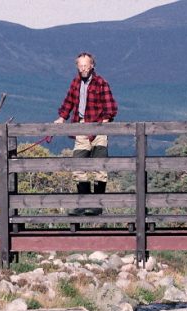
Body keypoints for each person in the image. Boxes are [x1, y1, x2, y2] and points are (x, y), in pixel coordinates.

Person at [54, 52, 118, 216]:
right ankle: (84, 203)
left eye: (86, 66)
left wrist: (104, 123)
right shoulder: (75, 83)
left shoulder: (101, 83)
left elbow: (110, 107)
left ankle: (96, 206)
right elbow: (68, 102)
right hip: (81, 126)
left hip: (99, 127)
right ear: (77, 66)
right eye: (80, 66)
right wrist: (61, 118)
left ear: (92, 66)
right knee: (78, 166)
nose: (83, 69)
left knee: (99, 168)